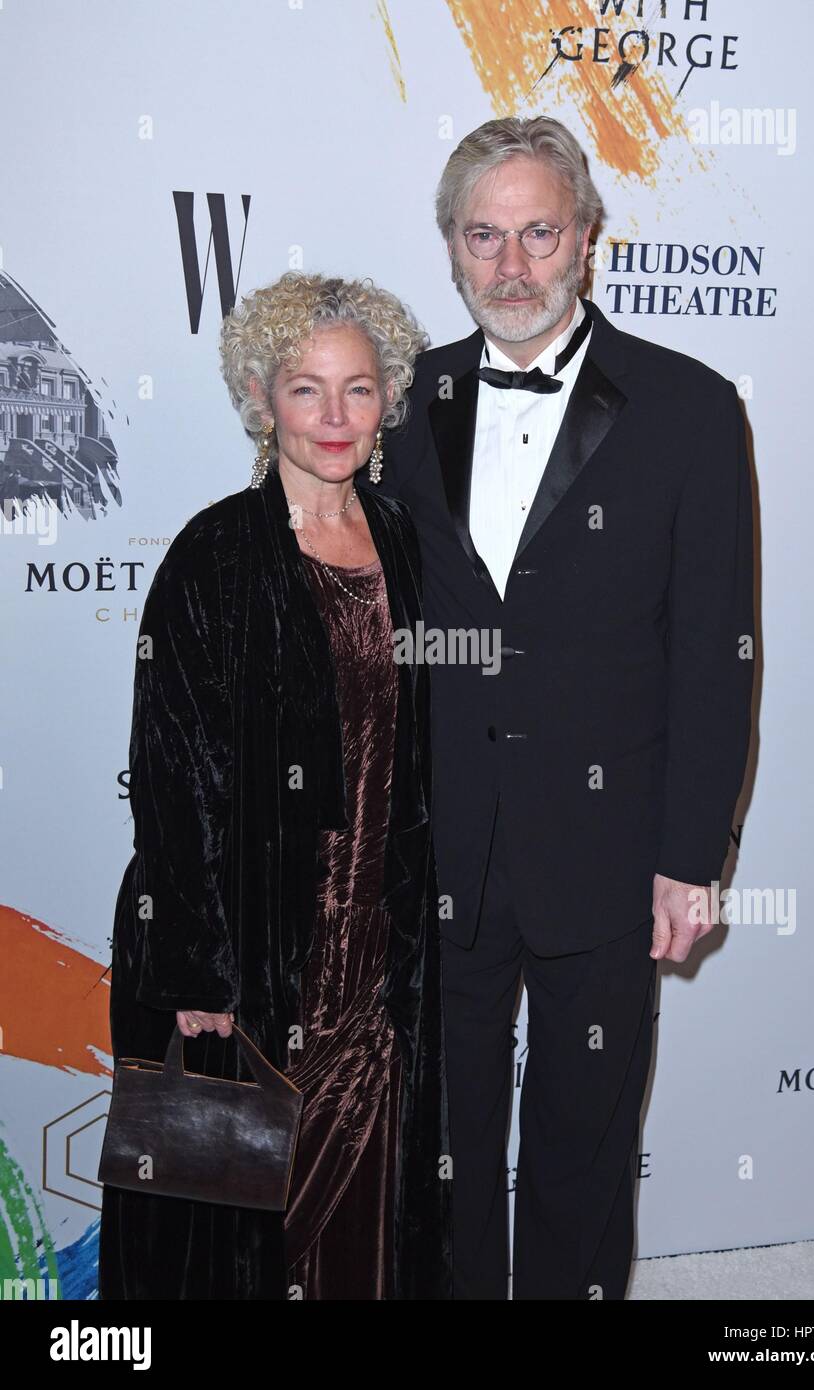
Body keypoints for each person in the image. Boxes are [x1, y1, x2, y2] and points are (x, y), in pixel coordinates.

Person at [373, 116, 755, 1299]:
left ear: (586, 239)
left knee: (581, 1155)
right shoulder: (402, 402)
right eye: (483, 236)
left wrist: (689, 859)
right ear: (448, 248)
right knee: (439, 1155)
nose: (512, 265)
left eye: (538, 231)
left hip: (608, 846)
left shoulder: (687, 406)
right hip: (439, 849)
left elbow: (715, 651)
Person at [99, 271, 451, 1300]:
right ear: (260, 397)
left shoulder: (413, 545)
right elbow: (172, 769)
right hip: (249, 949)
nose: (334, 417)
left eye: (357, 388)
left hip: (379, 957)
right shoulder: (214, 555)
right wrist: (196, 967)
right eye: (306, 389)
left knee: (369, 1204)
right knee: (230, 1217)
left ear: (386, 399)